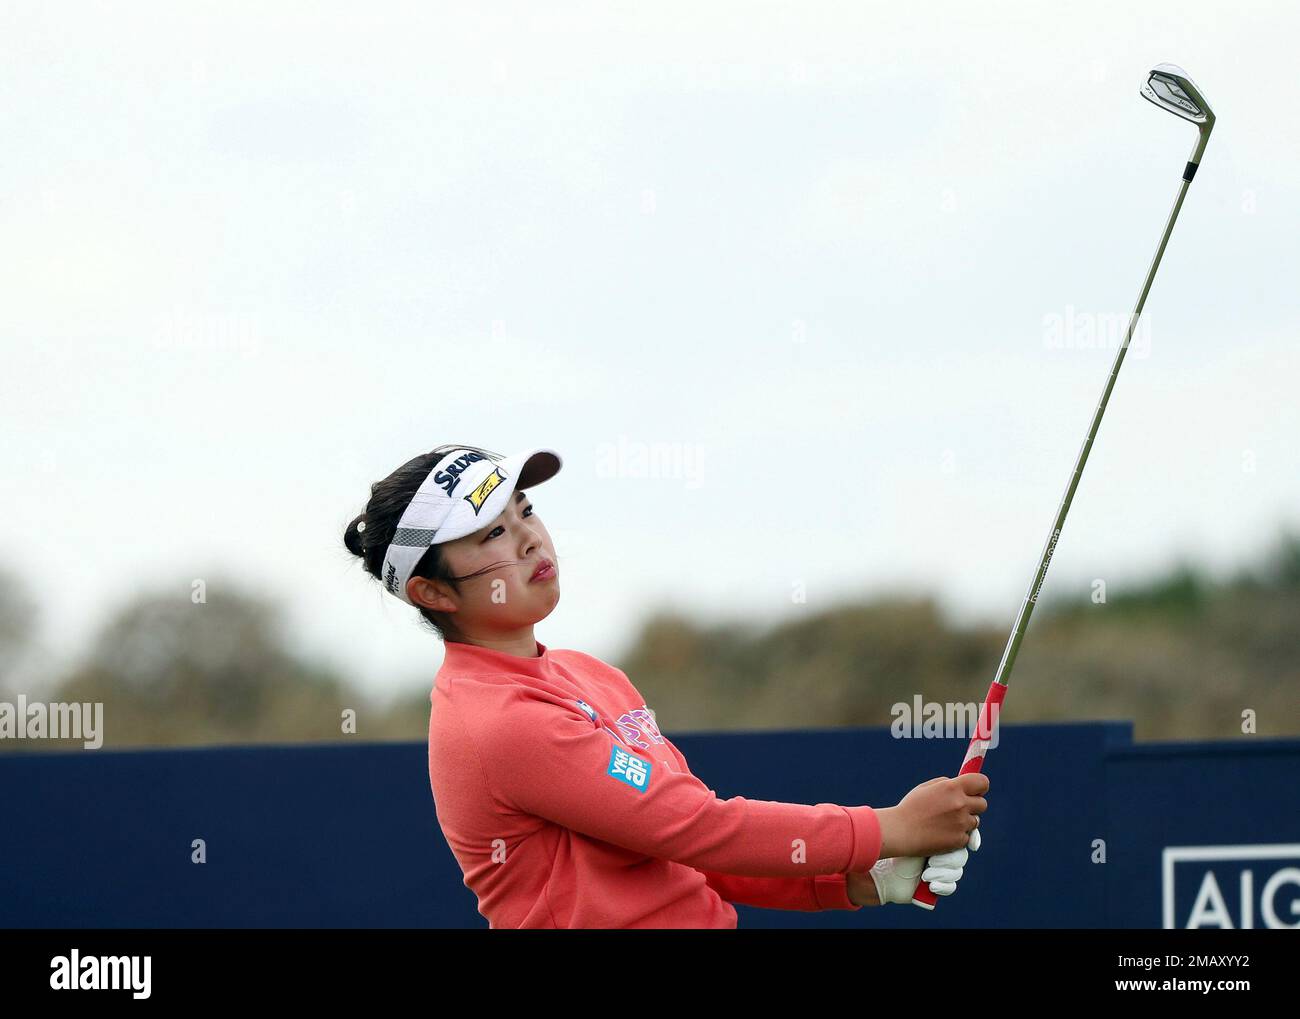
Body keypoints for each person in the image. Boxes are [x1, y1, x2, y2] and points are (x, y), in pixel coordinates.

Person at [343, 443, 988, 928]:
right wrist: (885, 829)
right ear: (431, 591)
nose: (530, 539)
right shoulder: (498, 722)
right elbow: (699, 827)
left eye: (526, 511)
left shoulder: (592, 675)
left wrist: (860, 879)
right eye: (492, 534)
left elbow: (688, 855)